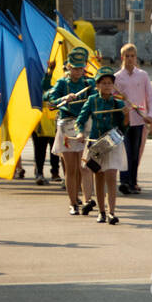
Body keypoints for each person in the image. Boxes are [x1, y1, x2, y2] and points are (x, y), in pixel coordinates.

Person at [45, 48, 97, 216]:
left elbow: (98, 99)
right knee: (71, 168)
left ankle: (87, 201)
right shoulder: (62, 83)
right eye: (74, 68)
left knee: (85, 166)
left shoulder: (89, 84)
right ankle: (73, 202)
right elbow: (49, 100)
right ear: (68, 67)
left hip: (84, 126)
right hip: (67, 126)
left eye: (80, 68)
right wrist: (63, 99)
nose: (77, 71)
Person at [75, 67, 130, 224]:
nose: (107, 86)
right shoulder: (92, 100)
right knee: (98, 176)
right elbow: (81, 119)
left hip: (112, 143)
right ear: (97, 85)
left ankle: (112, 211)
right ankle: (101, 212)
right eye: (103, 83)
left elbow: (124, 127)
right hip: (95, 145)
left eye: (109, 83)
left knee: (111, 176)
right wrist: (80, 133)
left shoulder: (118, 103)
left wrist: (126, 115)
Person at [115, 43, 152, 195]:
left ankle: (133, 181)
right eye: (127, 56)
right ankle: (124, 182)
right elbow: (113, 97)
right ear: (122, 57)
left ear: (136, 58)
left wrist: (151, 115)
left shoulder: (143, 75)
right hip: (124, 120)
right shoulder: (117, 78)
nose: (130, 59)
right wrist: (120, 98)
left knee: (135, 152)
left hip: (139, 119)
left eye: (132, 56)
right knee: (125, 151)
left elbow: (150, 96)